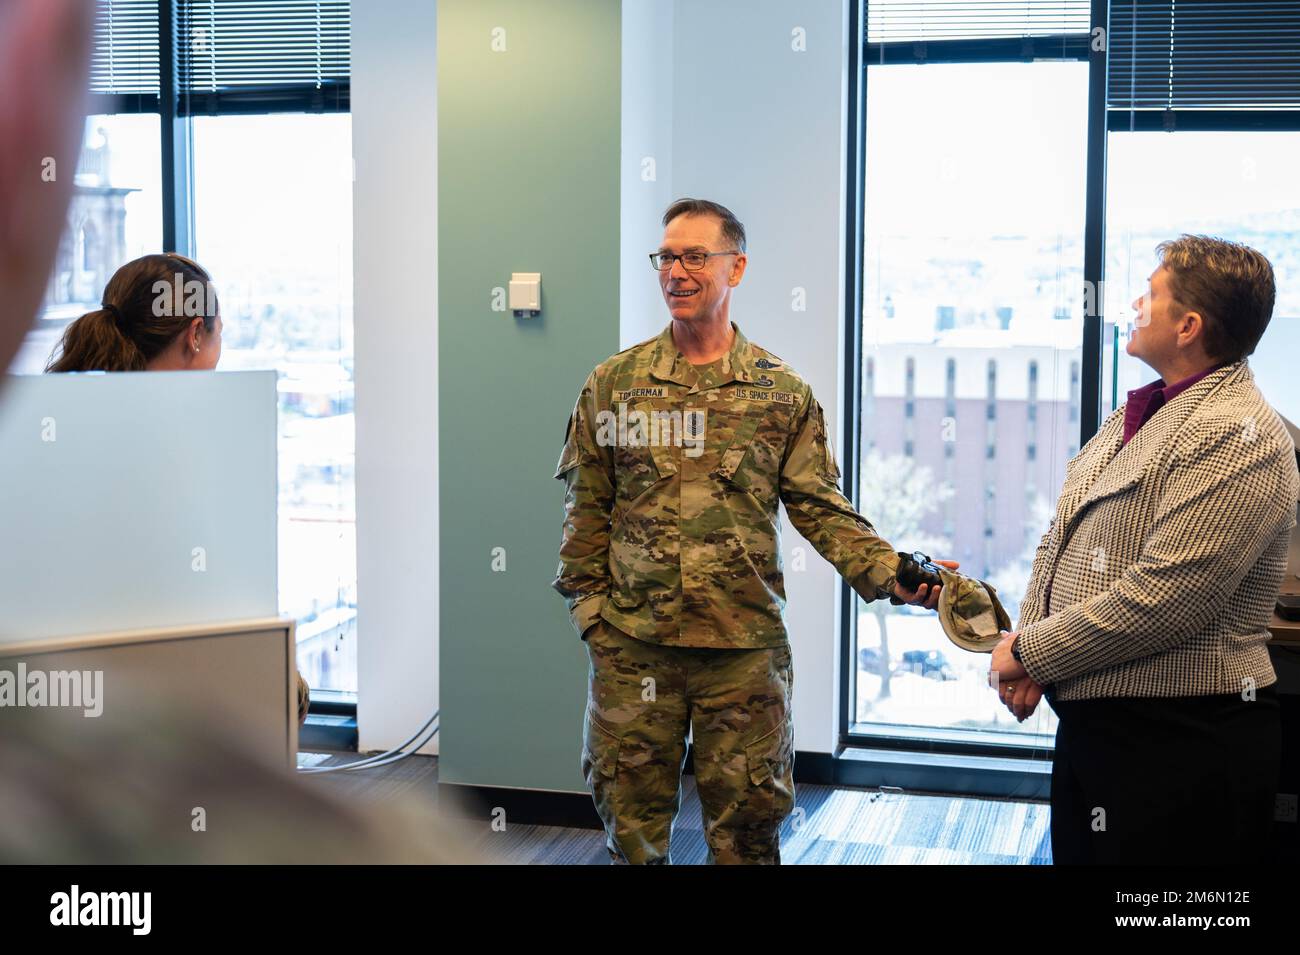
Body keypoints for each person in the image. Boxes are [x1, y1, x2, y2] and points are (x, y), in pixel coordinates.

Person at [553, 198, 955, 864]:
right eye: (666, 257)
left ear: (735, 267)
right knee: (629, 831)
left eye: (694, 256)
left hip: (742, 654)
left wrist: (893, 572)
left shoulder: (780, 394)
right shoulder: (614, 385)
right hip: (633, 649)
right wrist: (591, 615)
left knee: (748, 834)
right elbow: (587, 510)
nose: (676, 272)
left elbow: (821, 507)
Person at [990, 235, 1299, 865]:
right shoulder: (1147, 410)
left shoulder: (1240, 434)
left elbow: (1165, 599)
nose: (1135, 305)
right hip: (1102, 729)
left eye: (1150, 295)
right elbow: (1062, 536)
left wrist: (1028, 652)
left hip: (1182, 742)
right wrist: (1036, 656)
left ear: (1188, 327)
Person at [45, 252, 312, 726]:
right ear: (195, 335)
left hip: (58, 690)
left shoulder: (58, 425)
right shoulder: (181, 453)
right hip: (152, 698)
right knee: (289, 692)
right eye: (220, 333)